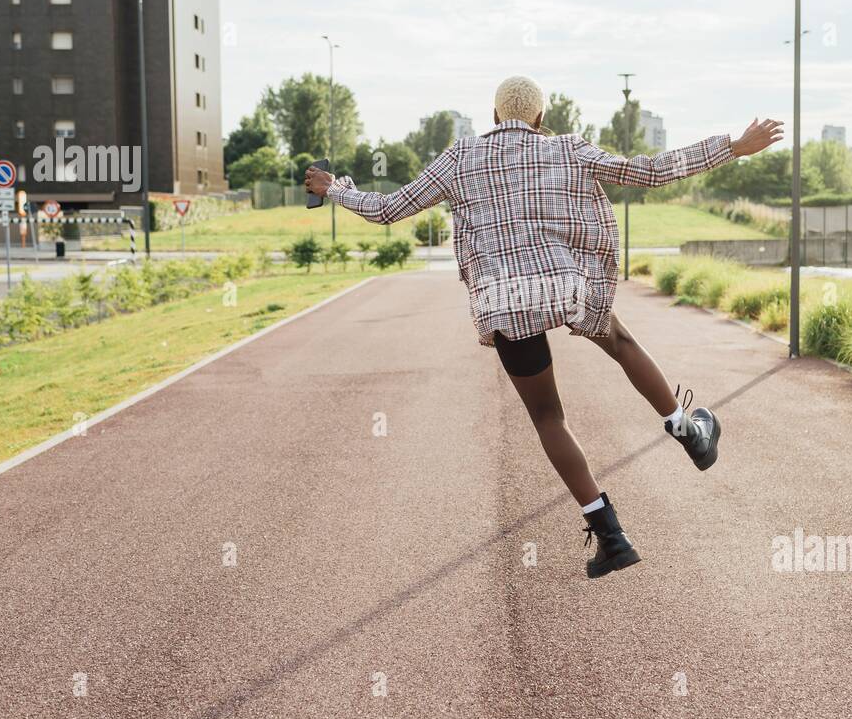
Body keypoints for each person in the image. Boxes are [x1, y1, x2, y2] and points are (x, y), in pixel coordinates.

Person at [306, 75, 783, 578]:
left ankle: (611, 537)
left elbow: (388, 209)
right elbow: (650, 171)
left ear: (494, 117)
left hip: (504, 300)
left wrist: (335, 188)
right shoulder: (567, 148)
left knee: (549, 418)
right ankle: (687, 431)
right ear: (539, 117)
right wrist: (733, 147)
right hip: (565, 286)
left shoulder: (460, 157)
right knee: (620, 340)